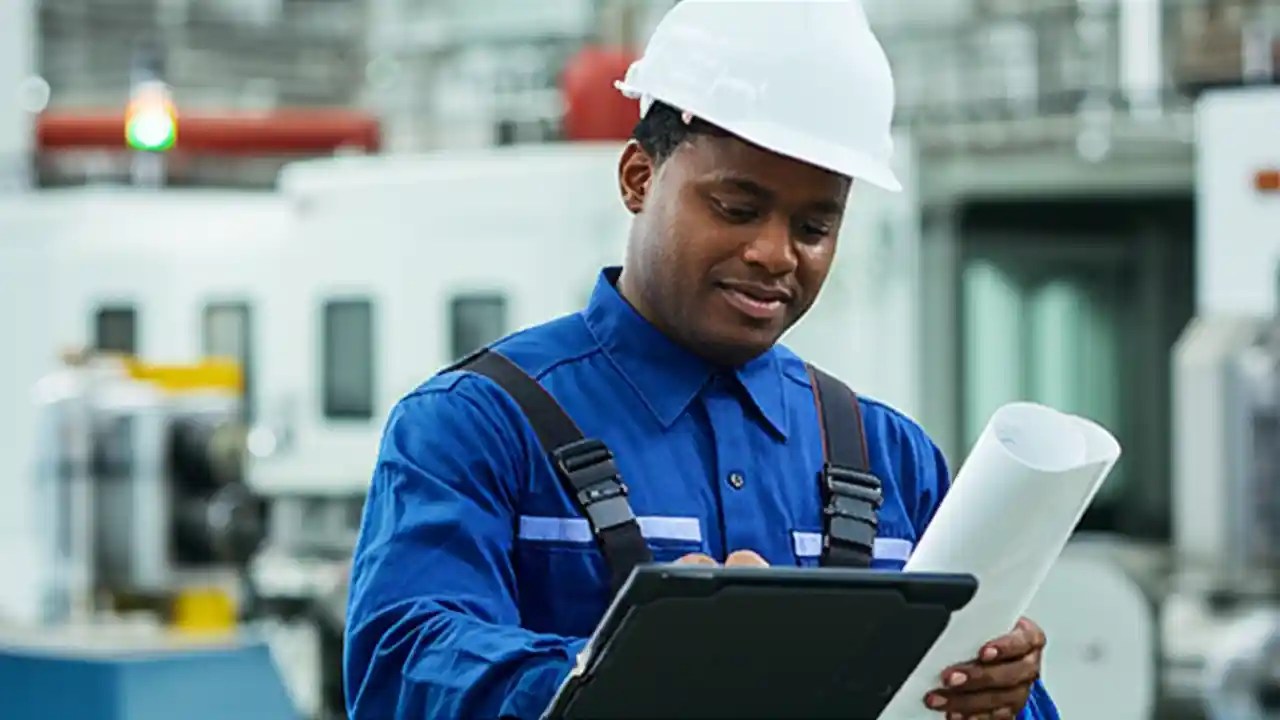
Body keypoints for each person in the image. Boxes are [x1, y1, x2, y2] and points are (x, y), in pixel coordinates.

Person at [344, 1, 1060, 719]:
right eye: (737, 208)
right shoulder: (477, 428)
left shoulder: (889, 459)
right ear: (637, 177)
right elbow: (402, 667)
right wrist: (623, 668)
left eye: (815, 226)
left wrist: (1004, 697)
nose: (776, 254)